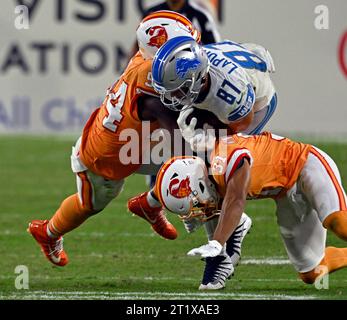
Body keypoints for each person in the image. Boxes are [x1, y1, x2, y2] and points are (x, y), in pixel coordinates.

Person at [154, 132, 347, 289]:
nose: (198, 209)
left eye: (194, 203)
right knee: (312, 272)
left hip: (306, 165)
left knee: (341, 225)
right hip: (285, 194)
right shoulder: (208, 179)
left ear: (199, 186)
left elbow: (236, 200)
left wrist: (217, 243)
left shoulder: (223, 160)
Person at [151, 36, 277, 152]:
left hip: (257, 102)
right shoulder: (198, 60)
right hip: (237, 72)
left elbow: (243, 123)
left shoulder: (230, 93)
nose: (172, 96)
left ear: (197, 78)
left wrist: (212, 143)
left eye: (177, 89)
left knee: (229, 157)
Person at [130, 0, 220, 59]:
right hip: (154, 68)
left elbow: (214, 48)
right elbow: (139, 44)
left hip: (188, 68)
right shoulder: (152, 13)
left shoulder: (200, 15)